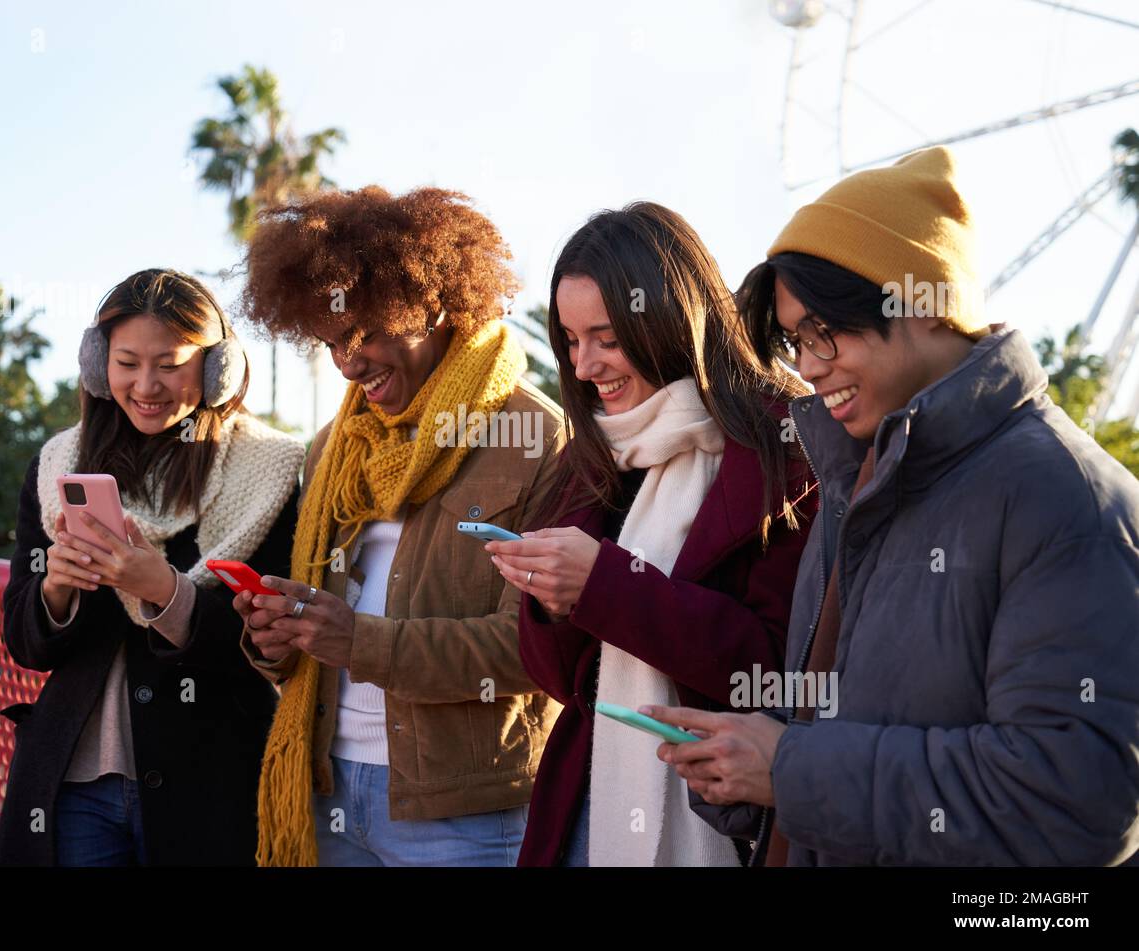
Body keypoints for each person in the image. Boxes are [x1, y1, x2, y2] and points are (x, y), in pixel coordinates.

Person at [651, 146, 1139, 866]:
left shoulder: (1065, 495)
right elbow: (831, 740)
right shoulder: (860, 476)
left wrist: (790, 768)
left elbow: (1078, 802)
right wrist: (742, 773)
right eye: (794, 340)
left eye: (827, 329)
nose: (808, 364)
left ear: (930, 305)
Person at [234, 185, 566, 866]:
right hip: (328, 792)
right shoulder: (335, 445)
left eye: (365, 335)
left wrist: (358, 639)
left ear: (434, 304)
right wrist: (275, 636)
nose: (350, 364)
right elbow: (311, 641)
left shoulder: (536, 435)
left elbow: (534, 651)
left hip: (465, 813)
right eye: (331, 344)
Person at [487, 202, 816, 866]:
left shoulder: (786, 446)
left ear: (668, 321)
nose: (582, 367)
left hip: (724, 819)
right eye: (571, 340)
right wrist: (553, 603)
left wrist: (603, 584)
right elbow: (556, 681)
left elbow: (774, 670)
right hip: (585, 812)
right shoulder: (587, 457)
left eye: (606, 339)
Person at [0, 268, 304, 866]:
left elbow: (272, 645)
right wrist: (56, 588)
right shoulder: (57, 463)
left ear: (219, 368)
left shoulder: (270, 471)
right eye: (127, 362)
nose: (146, 384)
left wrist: (162, 591)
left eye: (170, 363)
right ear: (97, 364)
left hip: (209, 786)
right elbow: (25, 643)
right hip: (73, 784)